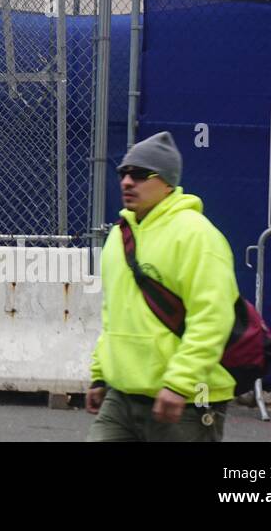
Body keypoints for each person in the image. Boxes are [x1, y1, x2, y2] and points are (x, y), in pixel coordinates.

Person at [86, 131, 239, 442]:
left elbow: (213, 318)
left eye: (141, 174)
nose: (128, 181)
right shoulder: (118, 236)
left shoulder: (197, 235)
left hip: (186, 398)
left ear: (168, 183)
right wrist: (100, 374)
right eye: (124, 172)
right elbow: (113, 312)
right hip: (123, 394)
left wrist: (180, 384)